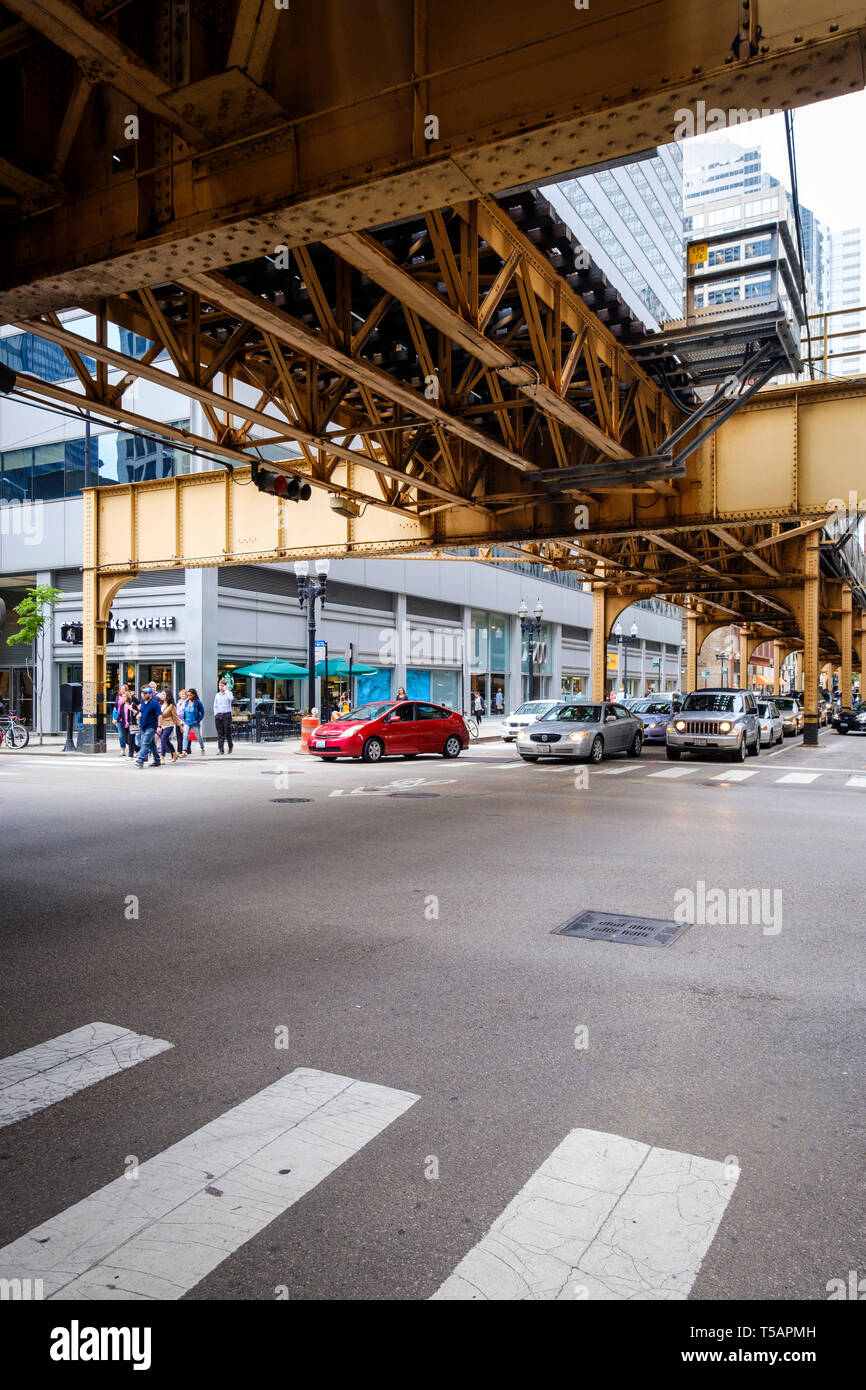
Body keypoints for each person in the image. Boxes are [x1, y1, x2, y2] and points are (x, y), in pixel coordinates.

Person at [135, 687, 161, 767]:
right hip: (143, 726)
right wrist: (139, 715)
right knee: (152, 744)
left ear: (150, 694)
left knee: (145, 742)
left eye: (145, 693)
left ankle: (141, 760)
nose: (144, 695)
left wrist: (159, 726)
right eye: (143, 693)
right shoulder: (143, 702)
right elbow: (141, 712)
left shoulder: (155, 704)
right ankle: (157, 760)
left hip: (152, 726)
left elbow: (159, 715)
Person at [158, 690, 182, 762]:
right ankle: (174, 753)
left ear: (167, 696)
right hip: (161, 725)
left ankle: (162, 757)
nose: (162, 696)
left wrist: (180, 726)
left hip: (169, 724)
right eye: (161, 694)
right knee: (167, 741)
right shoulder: (160, 704)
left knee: (163, 739)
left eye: (163, 694)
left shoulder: (171, 706)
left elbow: (175, 717)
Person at [182, 686, 206, 756]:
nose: (189, 696)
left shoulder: (198, 702)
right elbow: (185, 711)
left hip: (195, 722)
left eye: (190, 695)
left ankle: (202, 748)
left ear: (194, 695)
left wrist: (198, 720)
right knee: (185, 736)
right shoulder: (187, 702)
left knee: (198, 736)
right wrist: (184, 717)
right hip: (187, 722)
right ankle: (184, 751)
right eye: (188, 695)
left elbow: (202, 712)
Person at [213, 679, 234, 754]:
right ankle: (221, 749)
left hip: (226, 714)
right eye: (220, 685)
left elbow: (231, 699)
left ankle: (230, 746)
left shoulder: (229, 693)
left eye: (222, 685)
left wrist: (226, 691)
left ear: (225, 686)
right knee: (220, 733)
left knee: (227, 732)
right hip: (219, 714)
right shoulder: (217, 695)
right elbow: (215, 705)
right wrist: (215, 714)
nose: (221, 687)